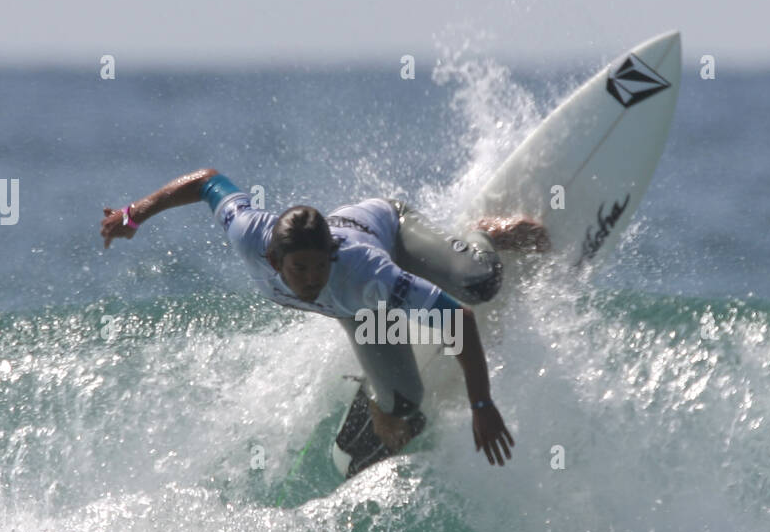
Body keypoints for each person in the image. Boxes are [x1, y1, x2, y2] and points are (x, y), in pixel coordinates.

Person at [100, 169, 548, 466]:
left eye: (320, 266)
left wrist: (482, 404)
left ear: (332, 256)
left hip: (389, 229)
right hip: (360, 310)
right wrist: (133, 215)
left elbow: (460, 321)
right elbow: (208, 182)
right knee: (406, 409)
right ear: (274, 260)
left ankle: (485, 234)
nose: (312, 279)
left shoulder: (363, 272)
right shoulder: (248, 233)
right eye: (300, 270)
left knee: (480, 283)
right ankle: (375, 397)